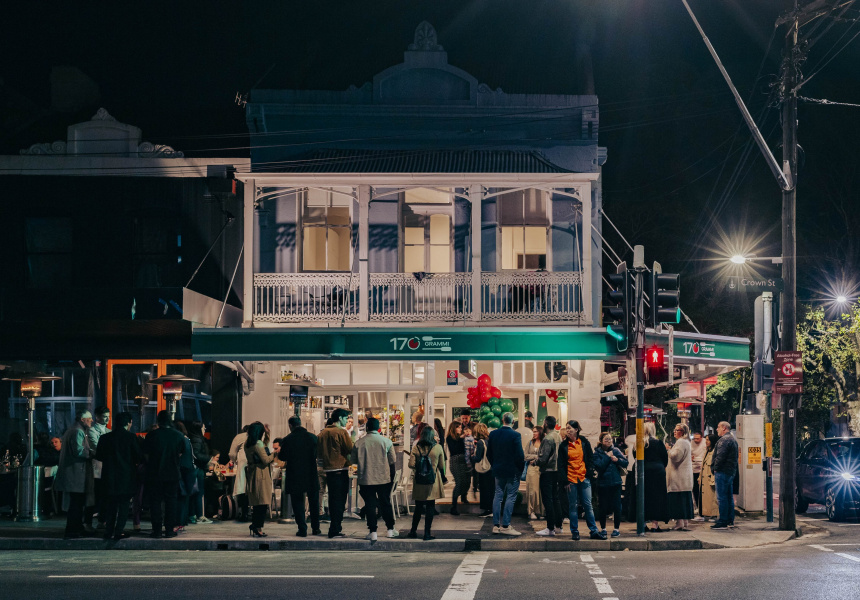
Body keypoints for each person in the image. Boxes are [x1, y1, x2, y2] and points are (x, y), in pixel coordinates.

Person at [95, 411, 143, 541]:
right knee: (123, 506)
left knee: (110, 505)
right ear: (129, 423)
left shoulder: (105, 438)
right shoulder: (131, 437)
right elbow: (139, 456)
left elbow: (98, 456)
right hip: (126, 477)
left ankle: (108, 531)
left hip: (109, 476)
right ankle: (119, 531)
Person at [351, 417, 397, 541]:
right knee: (385, 503)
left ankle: (373, 532)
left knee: (370, 505)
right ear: (378, 428)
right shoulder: (386, 442)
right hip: (383, 478)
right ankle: (390, 530)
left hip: (366, 478)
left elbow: (353, 460)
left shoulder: (359, 443)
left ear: (366, 428)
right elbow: (392, 461)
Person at [557, 420, 604, 540]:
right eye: (567, 428)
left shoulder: (583, 442)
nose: (568, 430)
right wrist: (565, 481)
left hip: (584, 477)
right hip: (571, 479)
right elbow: (561, 465)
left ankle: (593, 530)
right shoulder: (563, 446)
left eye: (570, 428)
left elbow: (590, 458)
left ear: (576, 429)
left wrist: (589, 472)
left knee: (588, 505)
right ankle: (575, 531)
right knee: (573, 506)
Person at [142, 410, 185, 539]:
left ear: (158, 421)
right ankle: (169, 530)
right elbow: (181, 453)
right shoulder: (178, 436)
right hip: (172, 473)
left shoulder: (152, 435)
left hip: (155, 473)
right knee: (171, 502)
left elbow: (145, 454)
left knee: (155, 502)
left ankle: (157, 530)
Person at [54, 410, 95, 539]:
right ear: (83, 420)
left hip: (74, 473)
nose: (91, 420)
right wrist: (92, 453)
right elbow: (78, 451)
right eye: (89, 418)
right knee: (77, 503)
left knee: (76, 502)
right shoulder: (78, 432)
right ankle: (73, 529)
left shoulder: (73, 430)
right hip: (76, 473)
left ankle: (76, 527)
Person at [279, 416, 321, 537]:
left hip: (295, 474)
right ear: (300, 424)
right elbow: (316, 454)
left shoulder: (287, 439)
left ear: (290, 426)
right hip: (311, 473)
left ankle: (302, 529)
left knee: (297, 502)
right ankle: (315, 528)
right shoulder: (312, 437)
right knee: (314, 502)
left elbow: (282, 457)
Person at [487, 412, 525, 536]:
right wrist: (520, 469)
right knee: (511, 496)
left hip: (498, 469)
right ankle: (506, 525)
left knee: (498, 495)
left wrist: (495, 465)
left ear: (502, 420)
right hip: (512, 470)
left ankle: (495, 525)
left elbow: (489, 454)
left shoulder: (493, 434)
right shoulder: (515, 435)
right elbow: (519, 455)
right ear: (513, 422)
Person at [318, 408, 353, 538]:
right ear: (339, 418)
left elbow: (319, 452)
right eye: (346, 418)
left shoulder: (322, 433)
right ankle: (335, 529)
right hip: (340, 469)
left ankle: (334, 527)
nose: (347, 421)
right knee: (340, 500)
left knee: (332, 499)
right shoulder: (341, 432)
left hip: (328, 469)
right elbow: (350, 449)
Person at [407, 424, 446, 540]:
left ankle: (413, 531)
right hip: (432, 480)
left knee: (418, 507)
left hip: (419, 480)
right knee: (430, 506)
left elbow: (411, 464)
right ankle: (427, 533)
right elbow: (441, 466)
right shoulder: (438, 448)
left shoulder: (416, 447)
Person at [593, 432, 628, 538]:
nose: (609, 441)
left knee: (617, 506)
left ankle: (616, 529)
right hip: (603, 483)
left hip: (615, 482)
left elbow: (625, 462)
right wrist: (608, 457)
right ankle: (603, 528)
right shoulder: (597, 453)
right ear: (601, 441)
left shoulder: (616, 450)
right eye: (606, 439)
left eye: (610, 439)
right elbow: (599, 466)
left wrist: (617, 460)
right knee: (603, 506)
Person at [244, 421, 276, 537]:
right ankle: (257, 527)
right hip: (261, 474)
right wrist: (275, 453)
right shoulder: (258, 444)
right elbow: (266, 459)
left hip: (253, 473)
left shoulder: (248, 443)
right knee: (262, 503)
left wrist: (268, 435)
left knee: (258, 503)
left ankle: (255, 525)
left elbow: (263, 447)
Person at [535, 416, 562, 536]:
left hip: (548, 471)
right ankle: (558, 526)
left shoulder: (547, 439)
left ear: (546, 424)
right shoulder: (558, 436)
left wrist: (535, 461)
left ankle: (550, 528)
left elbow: (543, 458)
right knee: (556, 499)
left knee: (548, 500)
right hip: (557, 471)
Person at [85, 405, 111, 531]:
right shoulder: (92, 431)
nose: (107, 419)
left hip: (104, 467)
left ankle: (102, 520)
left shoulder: (108, 431)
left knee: (103, 496)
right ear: (97, 417)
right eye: (105, 417)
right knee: (93, 496)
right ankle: (88, 522)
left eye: (108, 417)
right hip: (95, 467)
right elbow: (96, 448)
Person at [710, 421, 739, 530]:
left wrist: (715, 469)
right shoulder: (732, 440)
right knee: (728, 497)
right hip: (730, 472)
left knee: (721, 497)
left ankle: (722, 520)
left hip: (722, 472)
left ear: (724, 428)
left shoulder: (725, 440)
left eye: (718, 427)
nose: (717, 429)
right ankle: (729, 520)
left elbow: (720, 457)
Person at [666, 423, 695, 531]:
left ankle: (679, 523)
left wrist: (668, 450)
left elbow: (676, 456)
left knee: (678, 501)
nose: (674, 431)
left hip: (679, 477)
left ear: (682, 432)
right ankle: (685, 521)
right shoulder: (686, 442)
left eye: (677, 429)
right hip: (683, 478)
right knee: (684, 500)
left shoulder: (681, 442)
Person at [643, 422, 669, 532]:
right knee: (657, 497)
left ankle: (643, 522)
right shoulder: (658, 443)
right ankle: (655, 524)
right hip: (658, 471)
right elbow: (665, 458)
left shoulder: (640, 443)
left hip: (644, 471)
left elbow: (635, 456)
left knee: (644, 497)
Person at [188, 422, 212, 524]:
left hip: (195, 469)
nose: (205, 429)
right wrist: (209, 459)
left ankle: (193, 515)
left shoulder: (194, 438)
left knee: (195, 493)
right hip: (197, 470)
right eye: (203, 427)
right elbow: (196, 455)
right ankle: (199, 516)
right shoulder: (197, 440)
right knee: (198, 493)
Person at [174, 421, 196, 531]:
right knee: (184, 497)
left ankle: (179, 522)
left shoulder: (179, 440)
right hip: (189, 471)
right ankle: (182, 521)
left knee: (179, 496)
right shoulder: (187, 439)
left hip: (181, 470)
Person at [445, 421, 470, 515]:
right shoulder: (450, 438)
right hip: (456, 462)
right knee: (459, 482)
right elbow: (455, 449)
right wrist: (461, 439)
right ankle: (453, 506)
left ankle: (464, 497)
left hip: (464, 461)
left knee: (467, 481)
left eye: (460, 427)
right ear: (453, 428)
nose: (460, 429)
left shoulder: (462, 438)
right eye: (458, 427)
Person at [228, 425, 250, 522]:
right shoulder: (257, 437)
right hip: (255, 465)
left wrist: (235, 460)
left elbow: (231, 454)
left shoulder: (239, 437)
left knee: (242, 489)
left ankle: (244, 513)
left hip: (243, 465)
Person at [471, 423, 494, 517]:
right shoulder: (490, 440)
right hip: (491, 468)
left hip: (484, 469)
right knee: (491, 489)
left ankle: (487, 510)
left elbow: (478, 458)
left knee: (484, 489)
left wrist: (471, 456)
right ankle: (492, 509)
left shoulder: (480, 442)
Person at [524, 426, 544, 520]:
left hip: (541, 468)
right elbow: (525, 456)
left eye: (536, 431)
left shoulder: (544, 443)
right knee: (533, 490)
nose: (534, 433)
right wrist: (536, 457)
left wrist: (536, 458)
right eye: (533, 431)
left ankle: (540, 511)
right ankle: (531, 511)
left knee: (540, 490)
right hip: (532, 468)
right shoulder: (530, 443)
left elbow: (545, 455)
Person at [699, 434, 720, 521]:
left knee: (712, 498)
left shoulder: (715, 452)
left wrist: (713, 479)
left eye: (708, 440)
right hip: (704, 479)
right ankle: (705, 514)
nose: (706, 442)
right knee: (705, 498)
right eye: (706, 440)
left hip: (710, 479)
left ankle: (713, 515)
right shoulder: (707, 451)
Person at [690, 430, 707, 517]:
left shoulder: (705, 442)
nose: (696, 440)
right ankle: (697, 506)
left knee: (703, 490)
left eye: (698, 439)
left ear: (701, 437)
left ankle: (703, 508)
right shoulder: (691, 443)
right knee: (695, 489)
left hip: (702, 469)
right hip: (693, 469)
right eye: (695, 438)